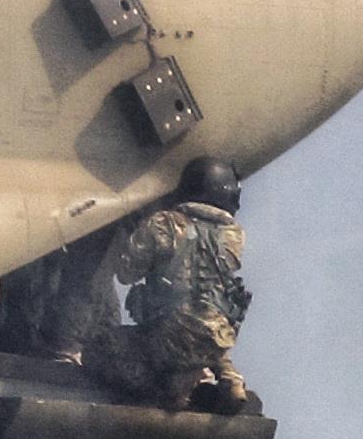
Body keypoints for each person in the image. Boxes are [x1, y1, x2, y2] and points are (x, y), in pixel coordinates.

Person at [78, 157, 254, 414]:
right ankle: (229, 378)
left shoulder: (164, 223)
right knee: (204, 323)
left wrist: (135, 229)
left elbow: (126, 273)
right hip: (214, 338)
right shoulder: (234, 235)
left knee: (97, 350)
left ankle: (171, 389)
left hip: (167, 337)